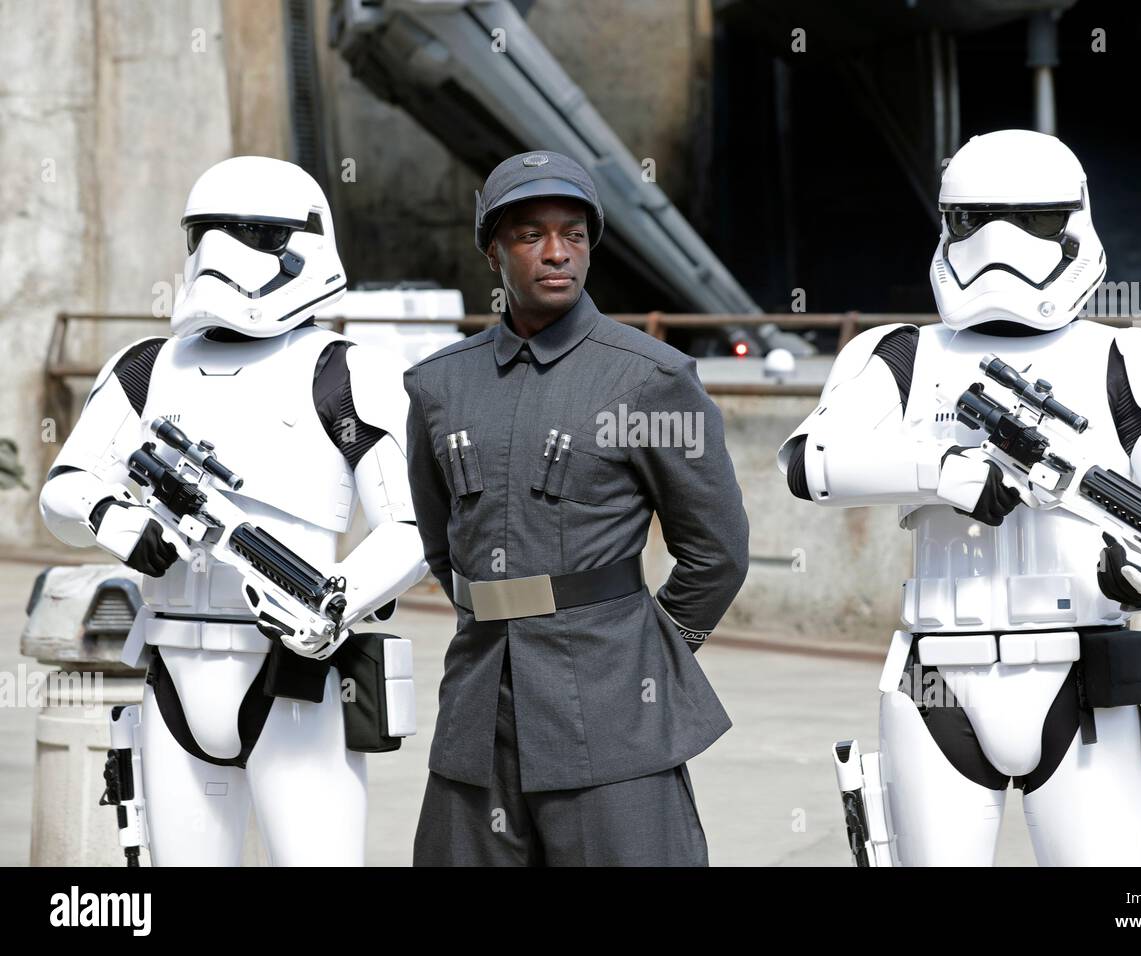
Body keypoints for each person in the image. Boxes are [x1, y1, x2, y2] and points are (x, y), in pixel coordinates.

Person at [778, 130, 1141, 865]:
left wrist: (1140, 575)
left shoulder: (1132, 360)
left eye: (1029, 222)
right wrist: (946, 472)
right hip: (934, 674)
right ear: (946, 222)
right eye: (973, 220)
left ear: (1073, 221)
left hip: (1083, 672)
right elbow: (811, 462)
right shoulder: (899, 355)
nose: (998, 244)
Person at [39, 156, 428, 865]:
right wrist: (121, 523)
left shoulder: (346, 372)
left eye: (248, 232)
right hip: (171, 677)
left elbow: (411, 527)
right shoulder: (147, 366)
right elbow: (62, 490)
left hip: (292, 681)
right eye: (205, 232)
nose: (220, 253)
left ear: (301, 242)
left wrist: (338, 600)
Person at [404, 150, 749, 866]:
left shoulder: (648, 380)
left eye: (575, 234)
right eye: (530, 234)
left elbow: (716, 550)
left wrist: (645, 653)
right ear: (493, 249)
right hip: (477, 713)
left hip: (613, 713)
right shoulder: (440, 386)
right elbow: (442, 545)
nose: (556, 252)